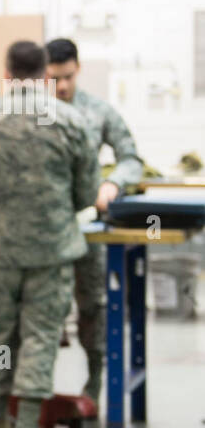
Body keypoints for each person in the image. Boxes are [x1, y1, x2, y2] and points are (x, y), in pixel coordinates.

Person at [0, 41, 98, 428]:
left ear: (7, 72)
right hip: (51, 251)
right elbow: (87, 193)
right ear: (44, 74)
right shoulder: (71, 121)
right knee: (41, 335)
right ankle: (29, 427)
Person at [45, 38, 144, 404]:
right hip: (43, 231)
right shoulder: (32, 113)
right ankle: (33, 397)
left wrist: (113, 182)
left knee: (93, 306)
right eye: (55, 79)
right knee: (41, 313)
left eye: (68, 76)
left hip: (88, 229)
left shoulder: (98, 112)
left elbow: (131, 156)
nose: (64, 86)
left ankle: (96, 380)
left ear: (79, 68)